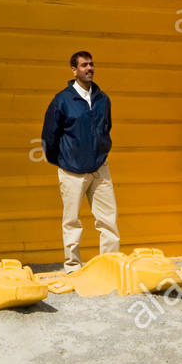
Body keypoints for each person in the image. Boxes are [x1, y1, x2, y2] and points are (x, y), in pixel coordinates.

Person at [41, 50, 120, 271]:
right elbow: (49, 136)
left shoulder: (103, 99)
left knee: (108, 221)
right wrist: (62, 160)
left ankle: (110, 266)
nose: (89, 69)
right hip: (72, 171)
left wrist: (101, 152)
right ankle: (73, 267)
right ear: (74, 70)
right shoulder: (62, 100)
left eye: (91, 64)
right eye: (84, 65)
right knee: (72, 222)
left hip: (99, 169)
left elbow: (107, 128)